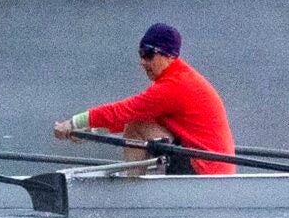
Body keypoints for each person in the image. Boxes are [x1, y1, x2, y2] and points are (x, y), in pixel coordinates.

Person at [51, 23, 235, 173]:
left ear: (168, 55)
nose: (142, 62)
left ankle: (134, 189)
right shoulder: (177, 79)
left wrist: (73, 123)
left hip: (207, 172)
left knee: (136, 126)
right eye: (140, 54)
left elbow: (122, 111)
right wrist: (91, 132)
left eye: (148, 54)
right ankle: (138, 185)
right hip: (213, 166)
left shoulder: (175, 86)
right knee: (138, 122)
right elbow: (132, 116)